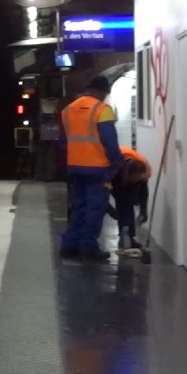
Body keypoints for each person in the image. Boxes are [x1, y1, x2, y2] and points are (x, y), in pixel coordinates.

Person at [58, 75, 124, 261]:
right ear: (100, 91)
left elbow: (63, 142)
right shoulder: (102, 109)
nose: (104, 97)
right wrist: (117, 163)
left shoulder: (68, 110)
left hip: (74, 167)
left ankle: (69, 245)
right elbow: (110, 141)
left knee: (79, 207)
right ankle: (88, 248)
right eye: (104, 94)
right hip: (98, 169)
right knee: (95, 209)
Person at [107, 146, 151, 251]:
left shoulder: (144, 172)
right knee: (121, 203)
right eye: (135, 179)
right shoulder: (114, 171)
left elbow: (144, 193)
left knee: (128, 203)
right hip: (109, 175)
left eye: (139, 180)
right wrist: (111, 210)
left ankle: (130, 238)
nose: (138, 181)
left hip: (125, 176)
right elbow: (103, 192)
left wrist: (143, 211)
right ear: (130, 175)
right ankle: (123, 236)